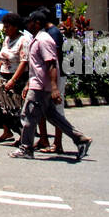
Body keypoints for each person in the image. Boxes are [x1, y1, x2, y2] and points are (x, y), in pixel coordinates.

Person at [12, 8, 92, 161]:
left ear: (36, 23)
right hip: (39, 84)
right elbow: (38, 66)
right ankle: (81, 139)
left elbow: (51, 64)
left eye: (29, 22)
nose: (27, 25)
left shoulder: (44, 40)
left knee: (28, 116)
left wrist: (54, 88)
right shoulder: (39, 38)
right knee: (53, 116)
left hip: (41, 87)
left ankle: (26, 149)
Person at [0, 12, 30, 144]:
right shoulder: (7, 39)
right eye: (4, 27)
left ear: (16, 27)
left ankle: (23, 136)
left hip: (17, 78)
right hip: (4, 75)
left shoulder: (23, 40)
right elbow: (3, 57)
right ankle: (6, 131)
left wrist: (13, 80)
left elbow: (24, 62)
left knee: (14, 109)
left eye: (8, 27)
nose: (5, 29)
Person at [38, 10, 68, 154]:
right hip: (49, 76)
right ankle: (43, 139)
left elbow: (54, 59)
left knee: (57, 109)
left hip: (57, 76)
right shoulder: (49, 32)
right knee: (42, 108)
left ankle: (58, 143)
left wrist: (53, 82)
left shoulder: (53, 33)